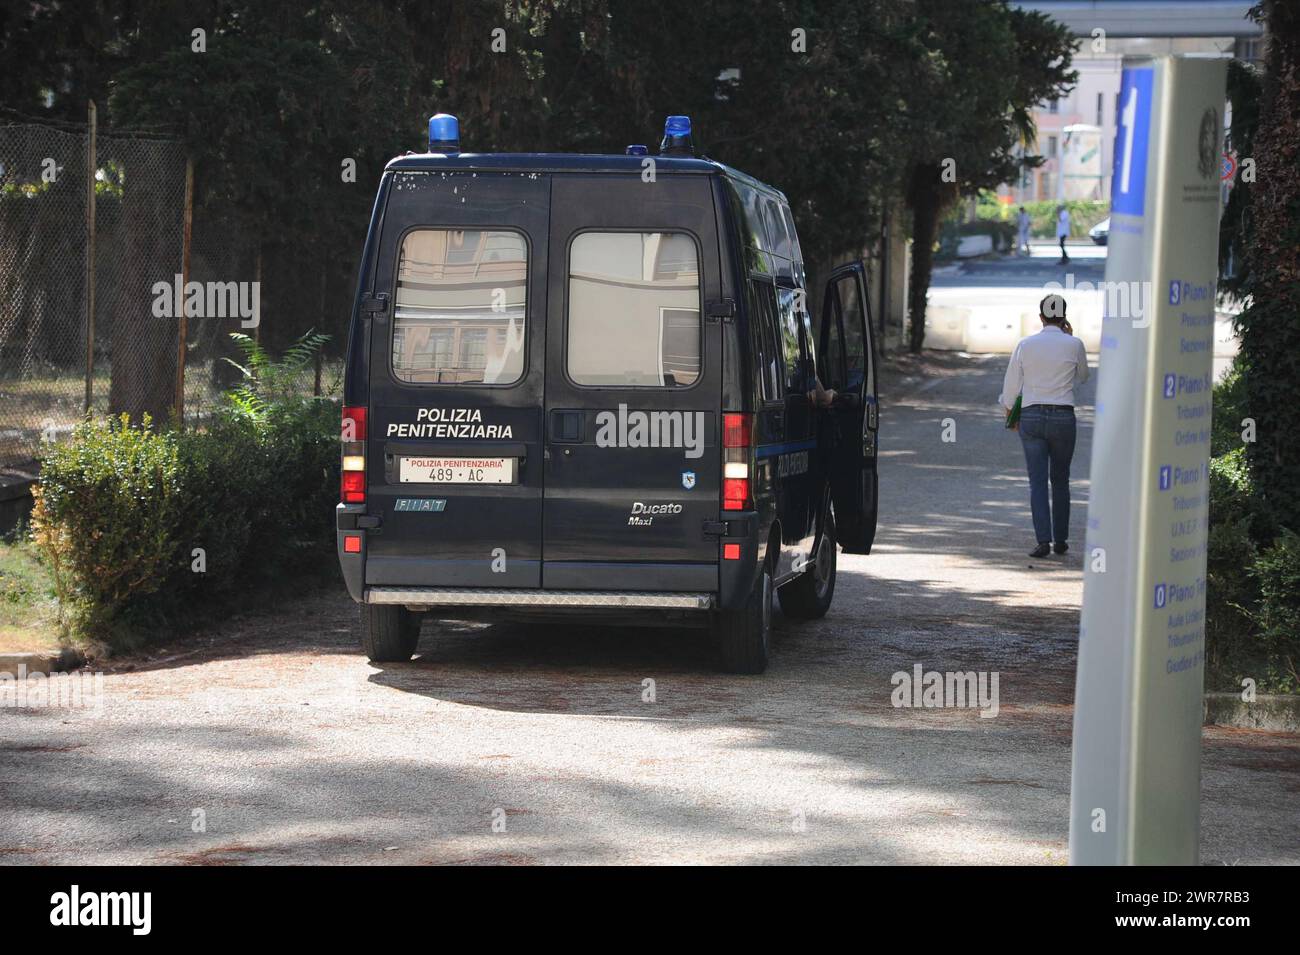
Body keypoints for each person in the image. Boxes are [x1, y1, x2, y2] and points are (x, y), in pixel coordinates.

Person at [1000, 293, 1089, 558]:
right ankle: (1061, 539)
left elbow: (1010, 388)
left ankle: (1043, 541)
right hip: (1063, 416)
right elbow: (1084, 377)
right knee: (1060, 479)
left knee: (1037, 481)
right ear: (1063, 318)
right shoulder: (1074, 344)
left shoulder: (1025, 345)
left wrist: (1010, 413)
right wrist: (1070, 336)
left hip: (1032, 416)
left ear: (1041, 317)